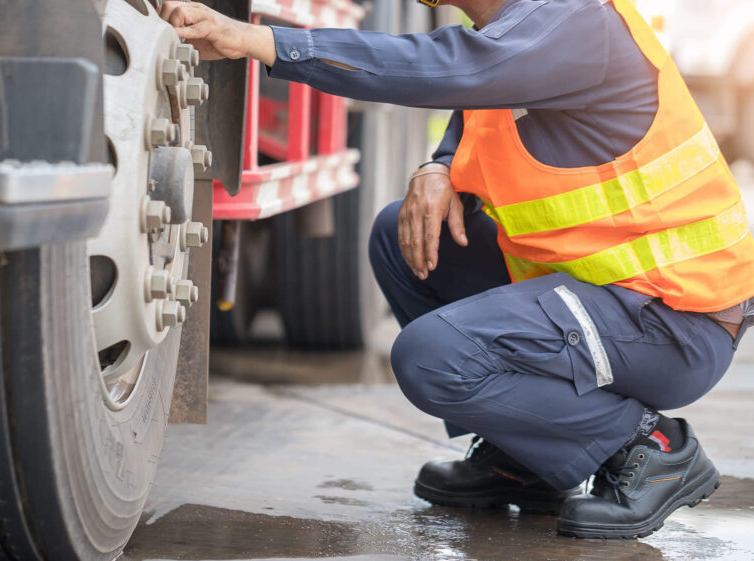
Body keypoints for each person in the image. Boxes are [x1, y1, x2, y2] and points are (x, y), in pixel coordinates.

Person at [159, 0, 754, 538]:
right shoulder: (510, 33)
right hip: (609, 298)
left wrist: (261, 41)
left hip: (674, 319)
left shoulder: (576, 19)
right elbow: (478, 113)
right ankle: (526, 458)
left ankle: (651, 448)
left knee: (433, 358)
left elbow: (446, 67)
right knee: (402, 237)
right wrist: (438, 167)